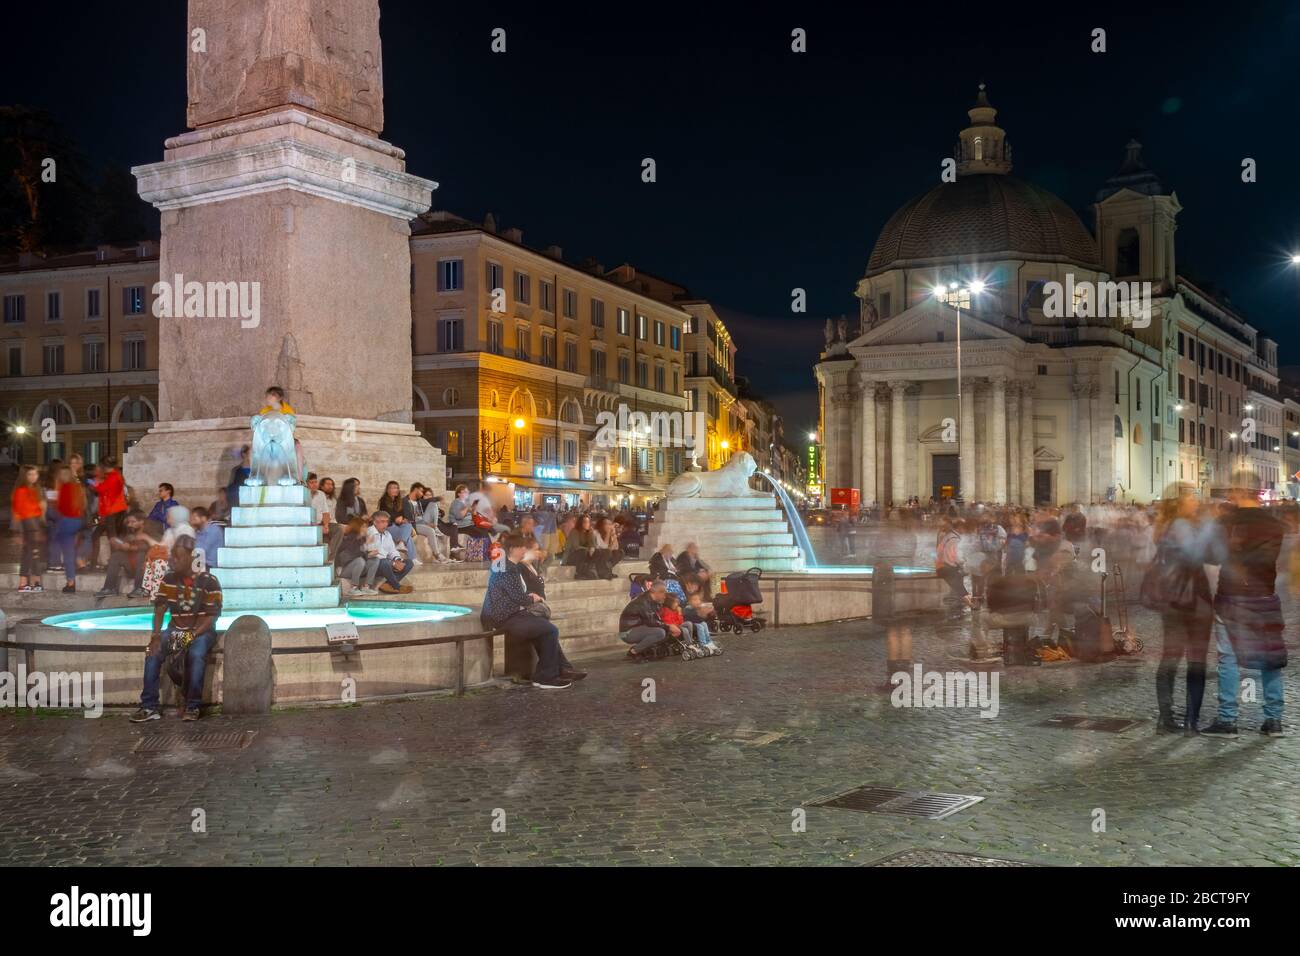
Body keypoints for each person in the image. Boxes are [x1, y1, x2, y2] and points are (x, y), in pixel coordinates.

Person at [1202, 470, 1287, 738]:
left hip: (1232, 595)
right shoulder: (1274, 523)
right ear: (1259, 492)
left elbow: (1211, 557)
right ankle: (1273, 720)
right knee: (1270, 657)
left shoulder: (1226, 521)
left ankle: (1228, 720)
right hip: (1264, 595)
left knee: (1227, 657)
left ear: (1238, 492)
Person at [130, 538, 223, 722]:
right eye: (173, 557)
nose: (173, 561)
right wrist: (156, 635)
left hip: (200, 633)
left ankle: (192, 706)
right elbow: (159, 609)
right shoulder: (169, 579)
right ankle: (149, 706)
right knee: (152, 651)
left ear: (191, 557)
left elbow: (211, 616)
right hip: (175, 631)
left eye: (178, 557)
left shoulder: (209, 581)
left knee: (196, 654)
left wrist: (191, 635)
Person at [1147, 485, 1215, 734]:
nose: (1196, 501)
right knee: (1194, 659)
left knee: (1171, 657)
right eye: (1192, 497)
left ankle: (1166, 718)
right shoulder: (1181, 526)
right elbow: (1196, 556)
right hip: (1191, 599)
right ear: (1180, 502)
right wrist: (1209, 527)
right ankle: (1190, 720)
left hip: (1174, 599)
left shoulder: (1166, 525)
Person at [480, 533, 576, 689]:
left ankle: (555, 671)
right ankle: (547, 677)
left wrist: (528, 596)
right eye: (521, 547)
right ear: (512, 549)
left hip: (507, 613)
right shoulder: (507, 569)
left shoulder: (508, 565)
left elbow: (515, 594)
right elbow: (519, 598)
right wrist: (534, 598)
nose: (524, 550)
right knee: (550, 630)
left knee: (543, 627)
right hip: (503, 617)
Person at [96, 513, 153, 598]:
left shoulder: (149, 532)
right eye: (129, 522)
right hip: (131, 567)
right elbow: (124, 544)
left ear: (141, 522)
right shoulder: (129, 531)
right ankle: (109, 588)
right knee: (116, 556)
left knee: (142, 555)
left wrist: (131, 547)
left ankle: (140, 589)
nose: (130, 524)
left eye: (133, 522)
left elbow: (148, 547)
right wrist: (118, 544)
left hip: (145, 570)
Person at [51, 465, 85, 593]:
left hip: (66, 521)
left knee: (67, 554)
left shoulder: (63, 487)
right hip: (77, 521)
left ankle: (71, 583)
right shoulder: (77, 487)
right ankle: (79, 560)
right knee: (70, 550)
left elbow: (60, 507)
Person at [12, 465, 45, 592]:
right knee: (32, 553)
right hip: (29, 524)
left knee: (31, 553)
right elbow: (20, 511)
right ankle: (28, 582)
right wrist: (19, 532)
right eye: (30, 474)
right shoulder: (21, 490)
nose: (33, 477)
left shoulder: (35, 488)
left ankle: (31, 582)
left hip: (34, 523)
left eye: (35, 474)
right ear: (24, 476)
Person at [365, 511, 413, 594]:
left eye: (387, 521)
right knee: (384, 562)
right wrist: (392, 563)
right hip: (373, 565)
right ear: (375, 522)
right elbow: (373, 555)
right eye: (382, 521)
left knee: (409, 562)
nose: (385, 524)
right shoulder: (369, 533)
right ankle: (397, 586)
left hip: (386, 564)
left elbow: (392, 551)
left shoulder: (387, 534)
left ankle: (386, 585)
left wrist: (397, 560)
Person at [619, 580, 671, 658]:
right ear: (654, 591)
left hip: (638, 628)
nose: (665, 595)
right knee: (660, 632)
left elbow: (655, 620)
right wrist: (668, 626)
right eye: (663, 592)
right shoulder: (642, 602)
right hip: (627, 632)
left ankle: (645, 650)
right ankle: (633, 652)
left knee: (663, 630)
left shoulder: (654, 601)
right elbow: (651, 622)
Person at [93, 456, 128, 565]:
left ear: (105, 466)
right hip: (115, 511)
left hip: (111, 512)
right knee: (108, 536)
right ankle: (97, 561)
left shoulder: (113, 477)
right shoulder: (116, 475)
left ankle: (115, 563)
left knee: (112, 537)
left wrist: (95, 482)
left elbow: (100, 489)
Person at [377, 480, 418, 562]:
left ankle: (401, 544)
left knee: (408, 524)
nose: (395, 490)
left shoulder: (399, 501)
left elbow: (402, 514)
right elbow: (385, 515)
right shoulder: (383, 501)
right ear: (388, 490)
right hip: (389, 526)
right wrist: (395, 519)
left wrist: (403, 519)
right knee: (408, 537)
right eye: (393, 488)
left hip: (399, 526)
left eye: (397, 488)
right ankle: (413, 558)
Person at [335, 517, 377, 595]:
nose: (366, 529)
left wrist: (369, 554)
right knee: (360, 561)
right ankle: (353, 588)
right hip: (344, 569)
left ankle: (366, 587)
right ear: (357, 527)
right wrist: (366, 550)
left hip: (357, 567)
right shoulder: (348, 538)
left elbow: (362, 554)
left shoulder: (361, 538)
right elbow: (347, 557)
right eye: (364, 527)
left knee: (375, 560)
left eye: (366, 527)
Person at [563, 514, 601, 579]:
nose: (587, 524)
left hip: (584, 555)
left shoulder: (589, 532)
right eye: (585, 522)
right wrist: (589, 549)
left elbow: (594, 546)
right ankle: (579, 573)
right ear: (581, 523)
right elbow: (576, 547)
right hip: (572, 556)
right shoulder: (574, 531)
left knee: (597, 552)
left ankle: (590, 570)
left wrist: (592, 535)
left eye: (588, 522)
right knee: (583, 551)